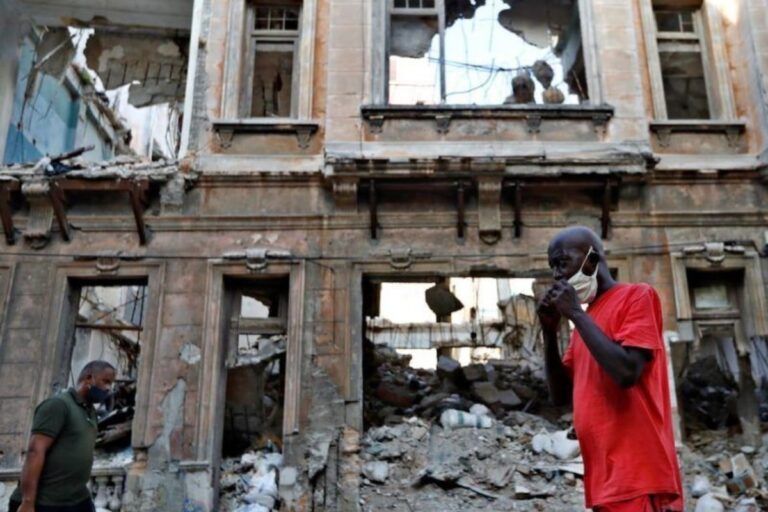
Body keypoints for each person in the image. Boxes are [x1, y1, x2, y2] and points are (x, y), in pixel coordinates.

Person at [537, 226, 683, 512]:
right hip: (605, 481)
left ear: (591, 261)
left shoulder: (637, 296)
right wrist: (549, 331)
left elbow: (627, 372)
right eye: (552, 267)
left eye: (563, 263)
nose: (556, 275)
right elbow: (560, 396)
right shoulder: (586, 324)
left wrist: (576, 314)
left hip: (639, 477)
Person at [8, 360, 116, 512]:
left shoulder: (90, 411)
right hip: (44, 503)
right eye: (105, 381)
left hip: (76, 500)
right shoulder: (58, 405)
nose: (108, 388)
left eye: (111, 383)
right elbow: (35, 452)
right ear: (89, 378)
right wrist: (27, 502)